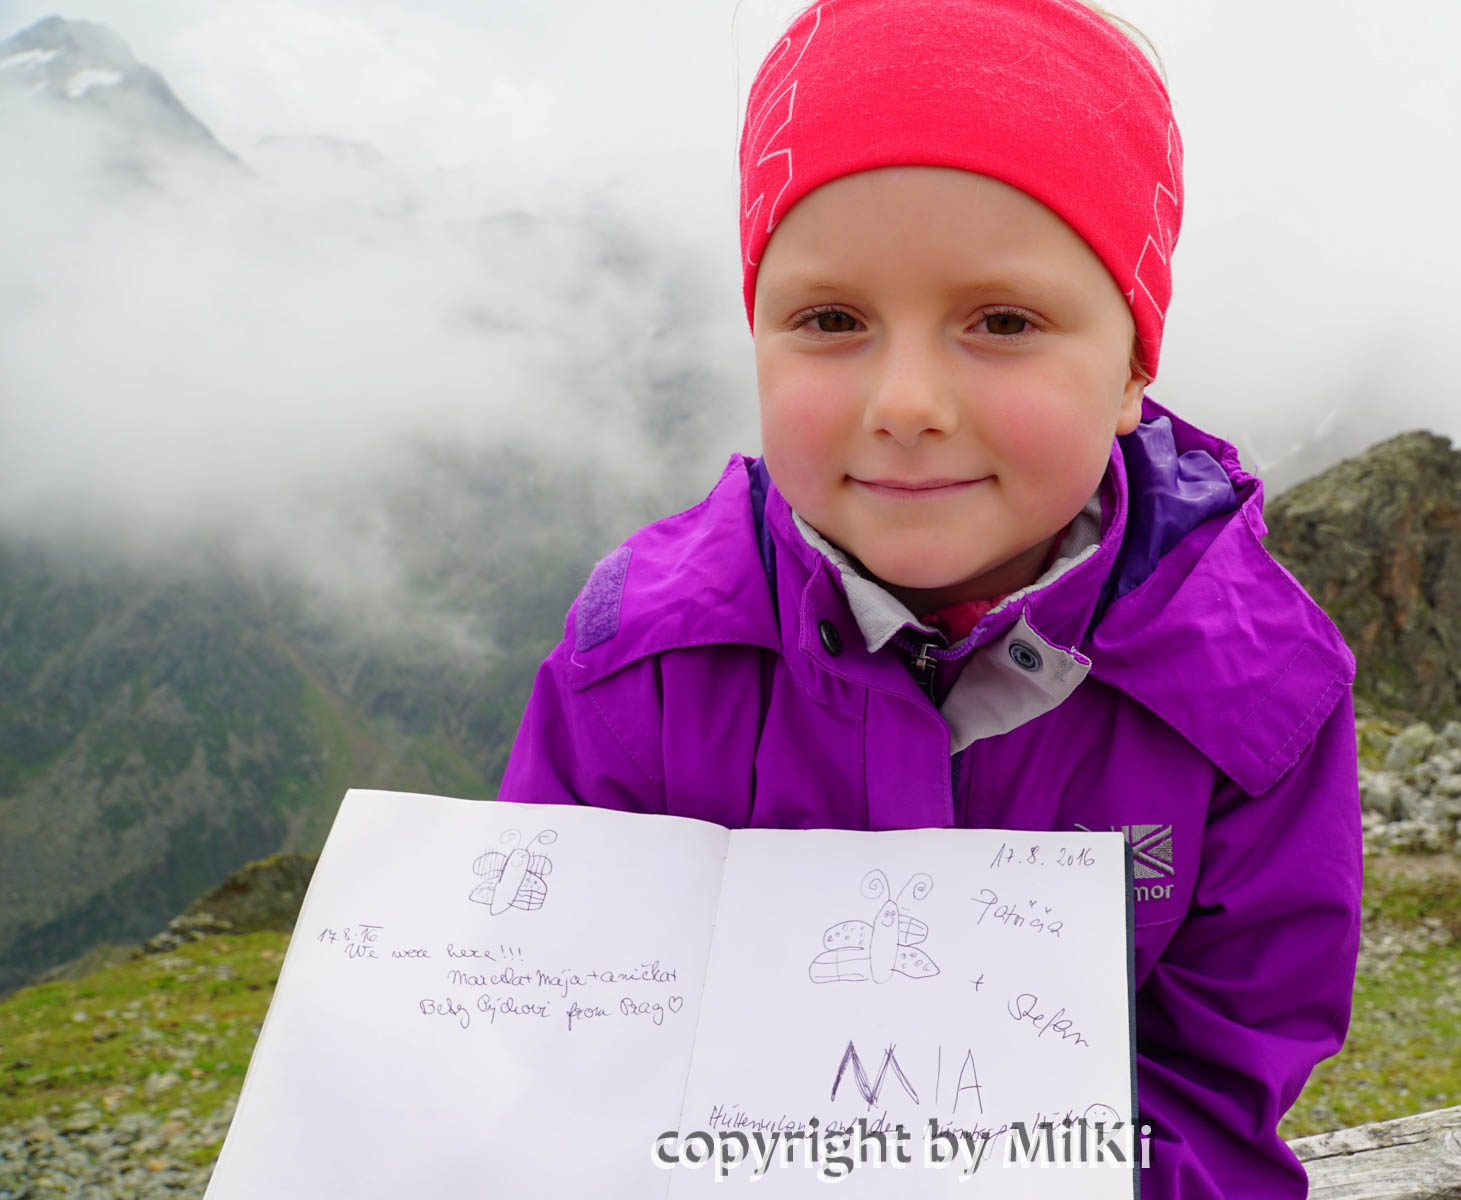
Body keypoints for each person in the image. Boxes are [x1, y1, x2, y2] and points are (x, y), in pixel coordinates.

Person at [496, 0, 1362, 1195]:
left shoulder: (1255, 698)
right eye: (831, 321)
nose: (906, 403)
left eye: (1002, 322)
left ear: (1131, 367)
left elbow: (1212, 1088)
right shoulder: (642, 660)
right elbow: (554, 1029)